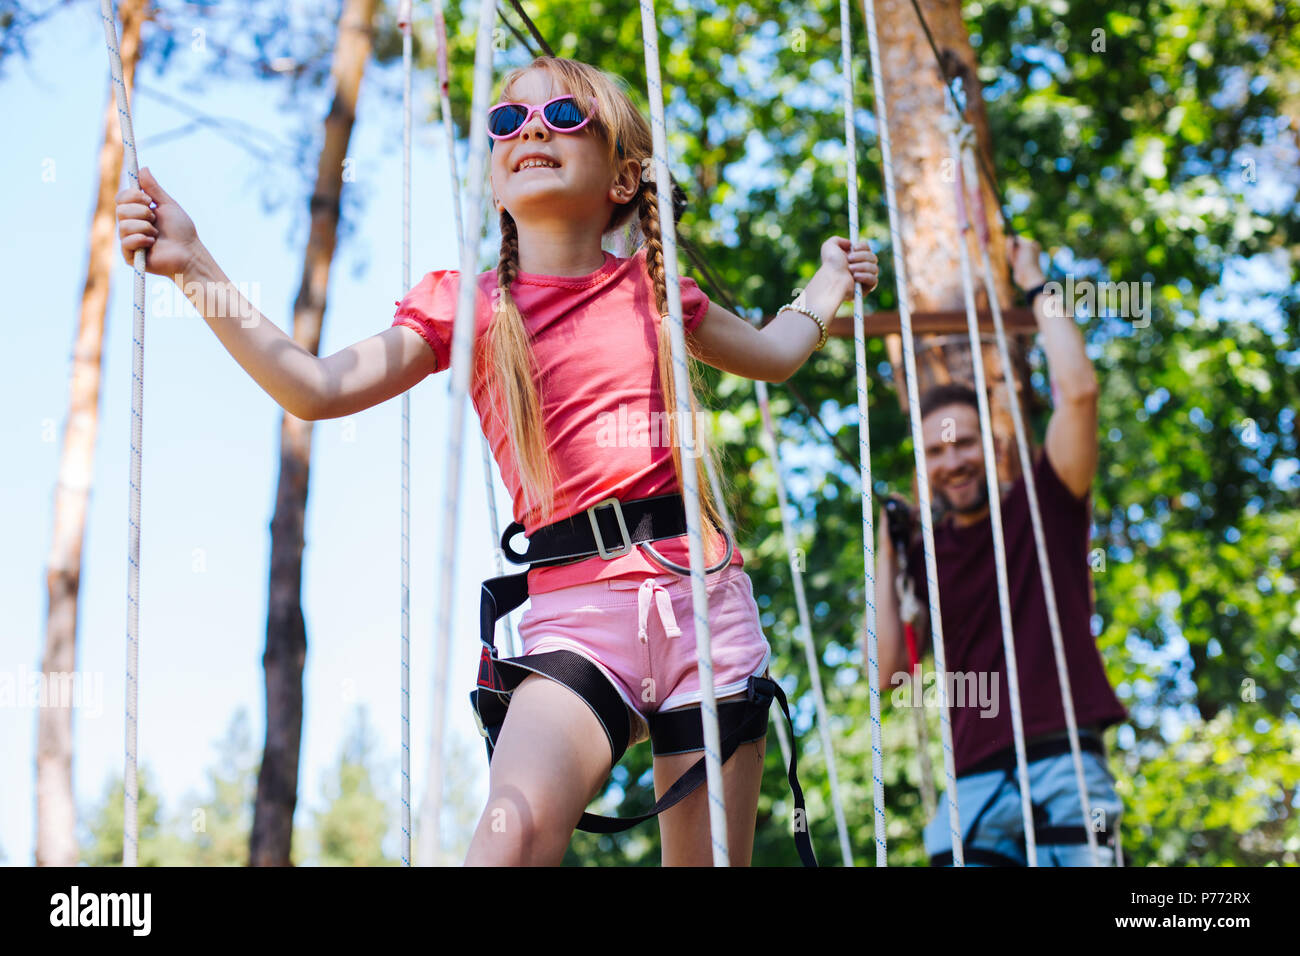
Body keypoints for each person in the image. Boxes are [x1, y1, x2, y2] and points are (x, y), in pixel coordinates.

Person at [116, 55, 879, 866]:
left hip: (703, 607)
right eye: (508, 122)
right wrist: (196, 268)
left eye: (563, 117)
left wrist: (828, 284)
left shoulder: (656, 291)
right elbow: (315, 387)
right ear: (494, 179)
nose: (532, 131)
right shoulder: (467, 307)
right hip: (578, 616)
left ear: (623, 180)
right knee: (510, 838)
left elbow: (773, 350)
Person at [872, 236, 1127, 866]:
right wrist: (887, 547)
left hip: (1063, 760)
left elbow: (1081, 393)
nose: (953, 461)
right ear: (924, 464)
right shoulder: (923, 553)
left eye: (963, 444)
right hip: (974, 784)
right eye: (936, 451)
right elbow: (887, 674)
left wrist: (1037, 282)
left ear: (991, 445)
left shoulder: (1047, 501)